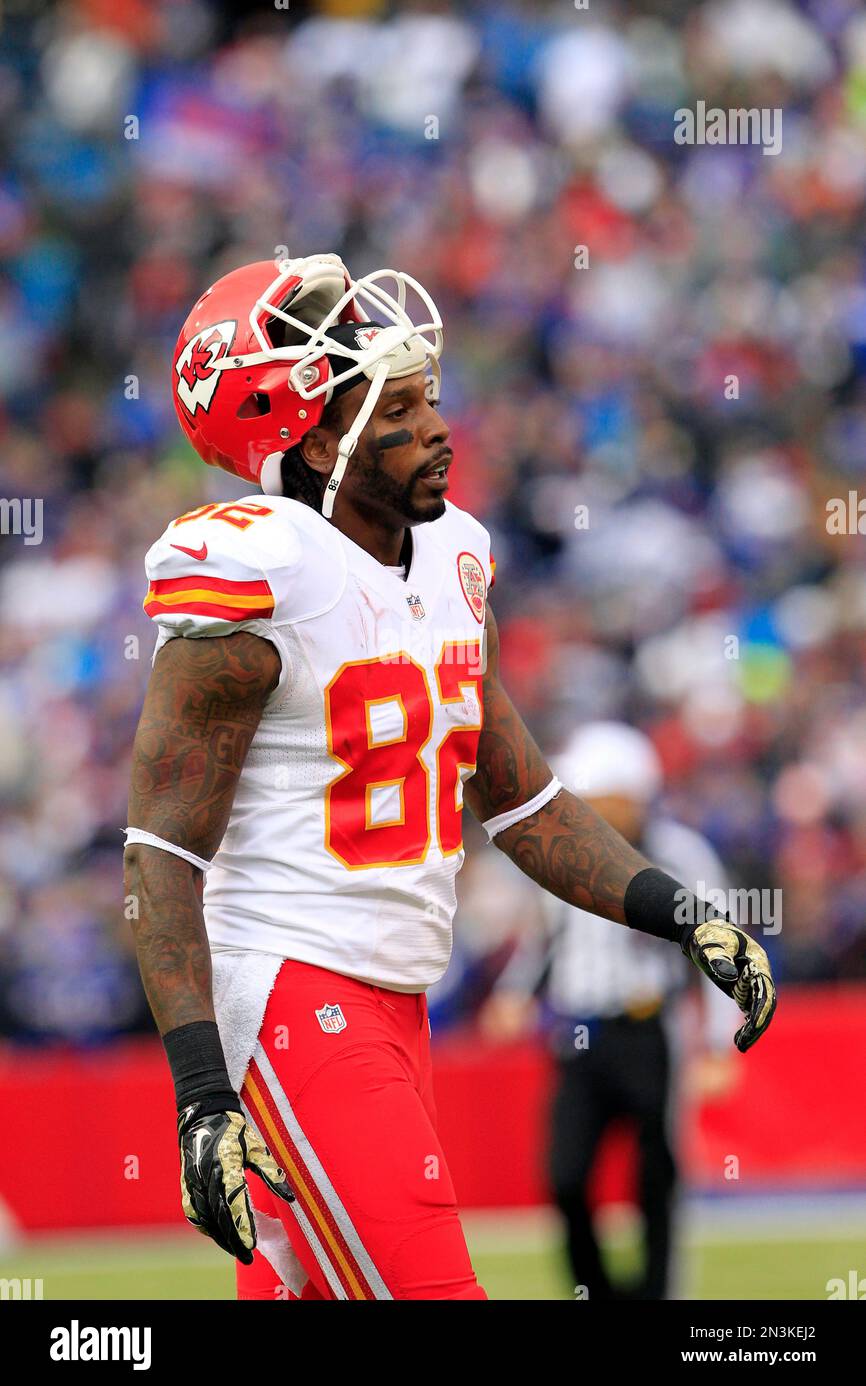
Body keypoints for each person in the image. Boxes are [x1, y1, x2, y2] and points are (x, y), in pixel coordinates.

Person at [123, 252, 776, 1301]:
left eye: (430, 397)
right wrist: (203, 1091)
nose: (436, 427)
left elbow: (522, 800)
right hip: (293, 994)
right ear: (316, 435)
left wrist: (681, 911)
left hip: (395, 1002)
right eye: (397, 407)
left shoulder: (451, 558)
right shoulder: (259, 569)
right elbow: (160, 851)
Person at [481, 721, 741, 1299]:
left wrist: (721, 1045)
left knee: (657, 1181)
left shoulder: (680, 853)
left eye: (600, 800)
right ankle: (594, 1292)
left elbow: (719, 949)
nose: (589, 811)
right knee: (566, 1177)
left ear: (633, 795)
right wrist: (514, 996)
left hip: (650, 1031)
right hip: (579, 1034)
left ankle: (657, 1294)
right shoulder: (568, 854)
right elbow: (544, 937)